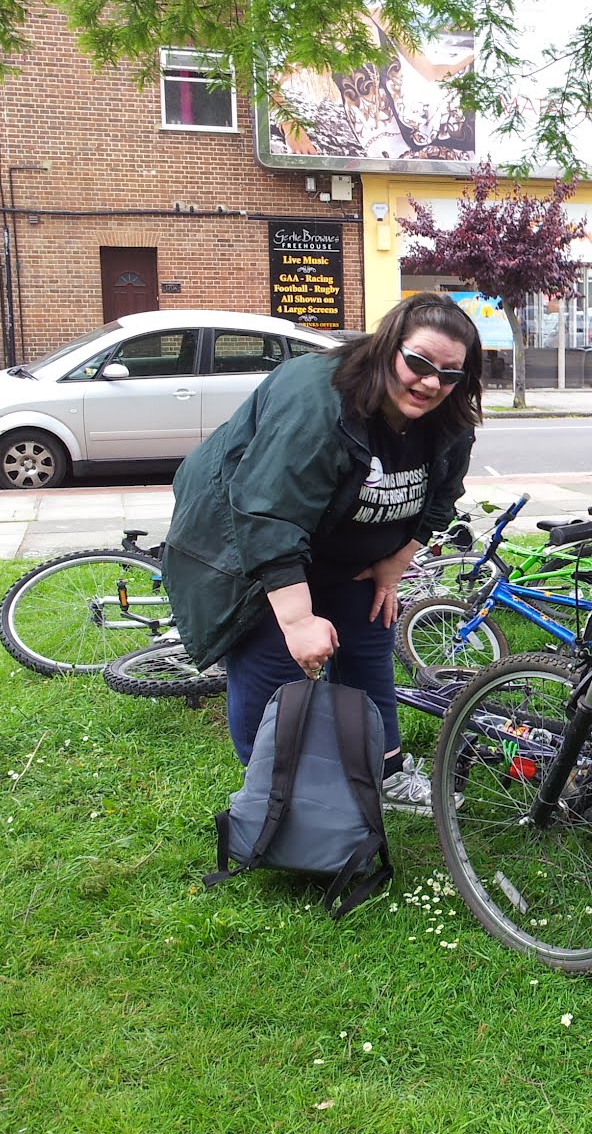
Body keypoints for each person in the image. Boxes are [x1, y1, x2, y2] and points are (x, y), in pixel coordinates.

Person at [161, 293, 481, 814]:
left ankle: (384, 772)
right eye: (419, 363)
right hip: (249, 535)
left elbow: (441, 497)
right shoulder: (317, 400)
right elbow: (269, 513)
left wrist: (392, 566)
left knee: (368, 643)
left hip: (343, 546)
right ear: (387, 347)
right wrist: (298, 618)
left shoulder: (448, 417)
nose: (430, 383)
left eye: (449, 374)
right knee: (273, 658)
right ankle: (272, 795)